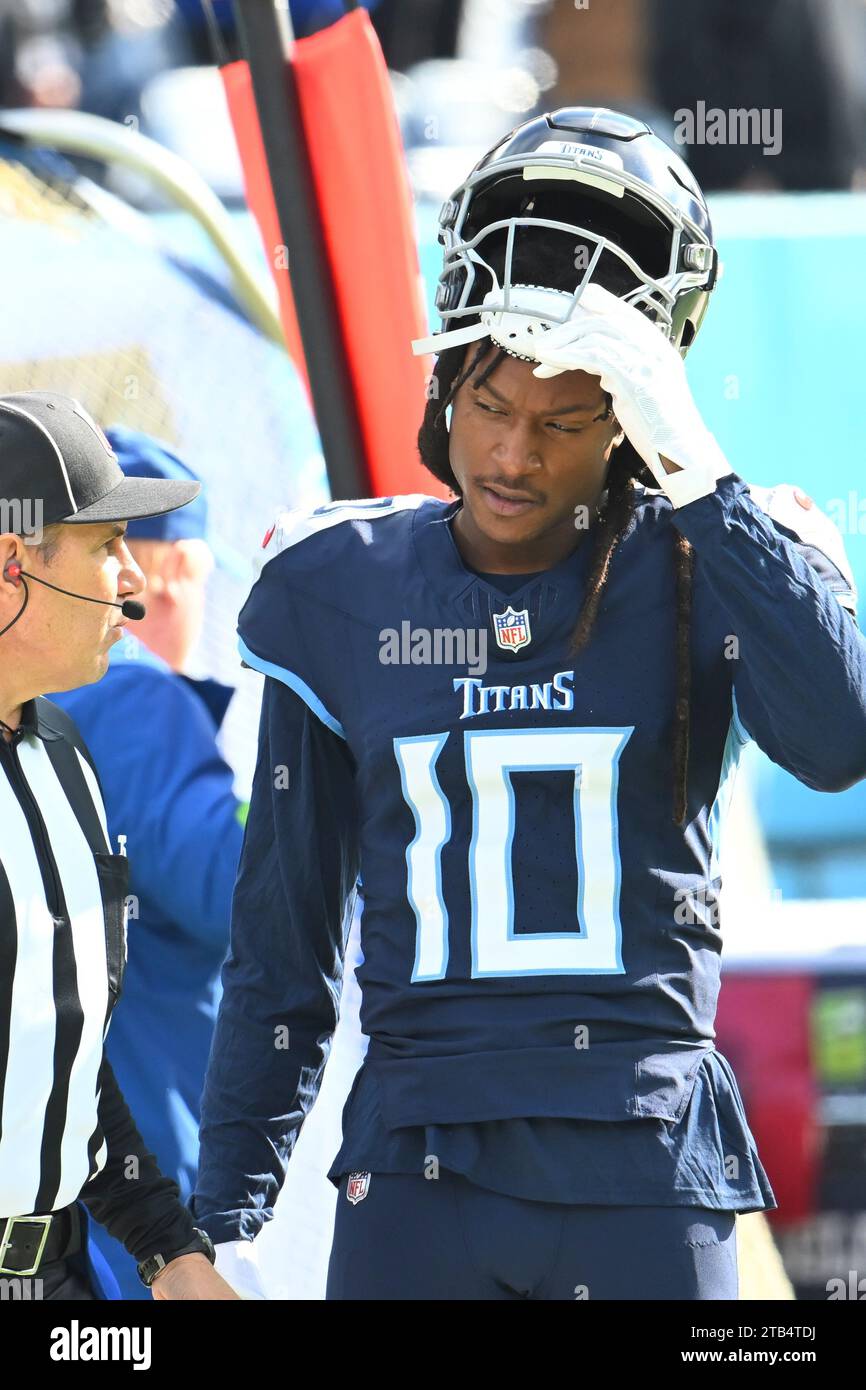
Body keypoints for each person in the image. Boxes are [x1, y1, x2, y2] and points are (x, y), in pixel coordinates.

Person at [180, 109, 866, 1300]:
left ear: (633, 424)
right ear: (446, 371)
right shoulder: (339, 584)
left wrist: (700, 470)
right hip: (416, 1170)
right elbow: (282, 947)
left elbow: (837, 739)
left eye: (563, 422)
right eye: (489, 405)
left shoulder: (715, 554)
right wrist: (225, 1217)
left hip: (649, 1163)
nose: (510, 454)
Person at [0, 390, 237, 1300]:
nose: (130, 581)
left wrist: (169, 1249)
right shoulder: (138, 709)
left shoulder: (63, 758)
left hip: (68, 1275)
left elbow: (66, 1053)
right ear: (16, 565)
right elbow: (231, 894)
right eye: (105, 549)